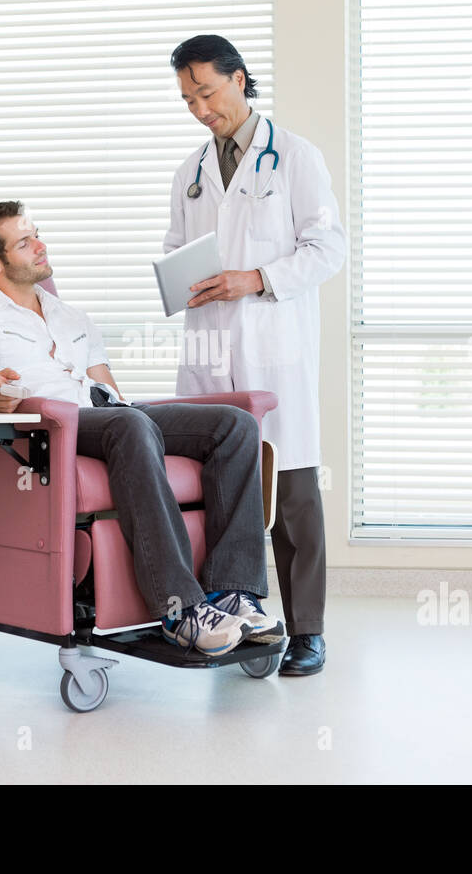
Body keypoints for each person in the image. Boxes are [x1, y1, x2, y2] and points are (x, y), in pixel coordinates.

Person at [0, 200, 284, 657]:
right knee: (130, 424)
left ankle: (233, 592)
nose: (40, 246)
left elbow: (109, 390)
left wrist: (136, 420)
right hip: (52, 425)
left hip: (110, 415)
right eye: (24, 243)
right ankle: (181, 610)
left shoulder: (70, 316)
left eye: (37, 234)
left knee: (233, 424)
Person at [164, 35, 346, 676]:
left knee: (292, 494)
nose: (200, 109)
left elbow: (328, 249)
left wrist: (258, 279)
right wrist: (177, 279)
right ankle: (230, 617)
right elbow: (176, 248)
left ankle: (308, 633)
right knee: (217, 491)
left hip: (274, 350)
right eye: (188, 100)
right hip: (210, 351)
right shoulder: (189, 173)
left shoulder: (295, 157)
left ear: (239, 79)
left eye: (207, 93)